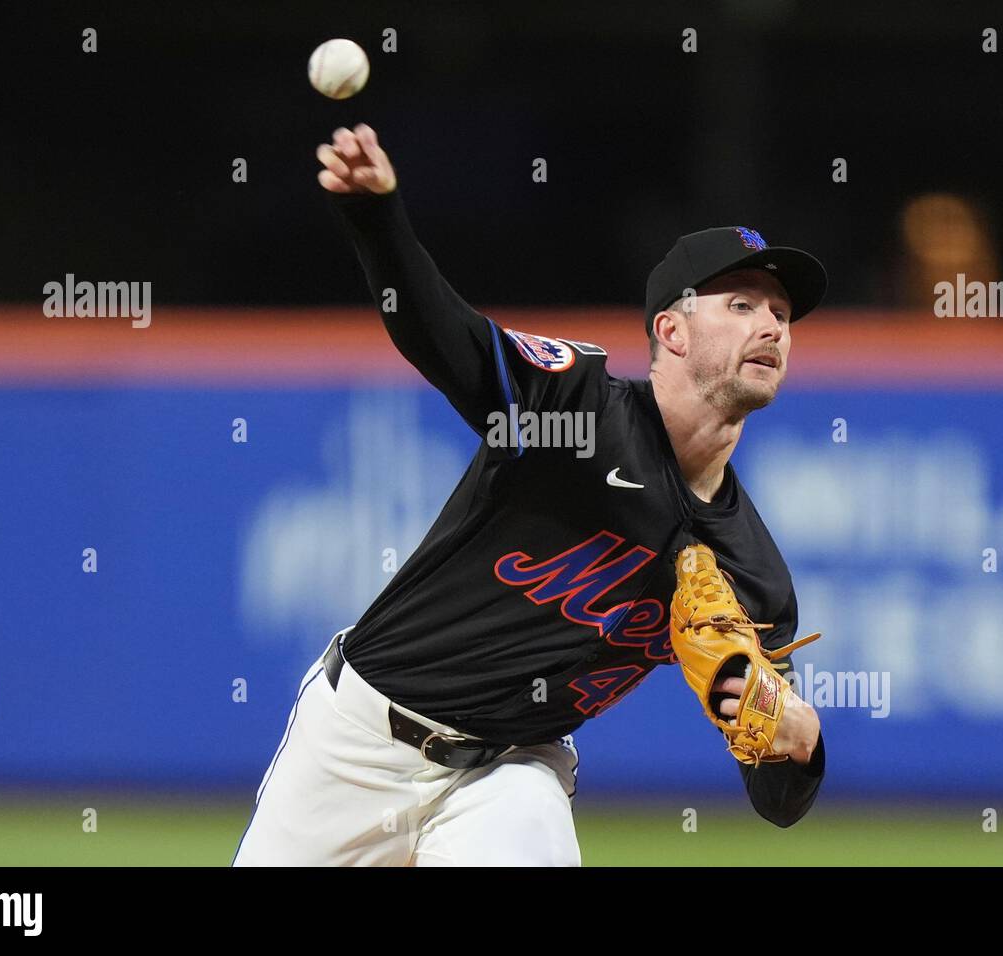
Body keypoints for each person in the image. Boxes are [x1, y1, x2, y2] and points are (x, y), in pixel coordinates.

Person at [232, 123, 829, 866]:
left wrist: (799, 737)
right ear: (672, 330)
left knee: (524, 813)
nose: (772, 325)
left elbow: (778, 801)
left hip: (513, 770)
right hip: (357, 740)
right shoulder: (576, 406)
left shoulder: (750, 569)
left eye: (780, 313)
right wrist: (376, 216)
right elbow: (440, 333)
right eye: (742, 304)